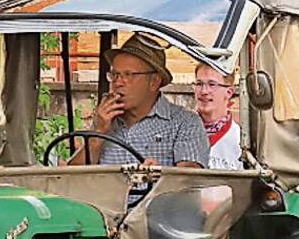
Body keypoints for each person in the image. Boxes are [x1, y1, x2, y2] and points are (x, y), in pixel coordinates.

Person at [81, 35, 208, 204]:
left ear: (154, 81)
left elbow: (189, 182)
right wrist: (97, 133)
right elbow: (71, 182)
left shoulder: (184, 122)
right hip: (104, 217)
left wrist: (159, 177)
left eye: (128, 75)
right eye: (115, 75)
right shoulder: (105, 121)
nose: (118, 83)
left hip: (159, 217)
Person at [193, 62, 242, 169]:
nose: (204, 91)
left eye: (212, 84)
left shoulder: (239, 141)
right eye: (199, 84)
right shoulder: (180, 133)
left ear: (229, 92)